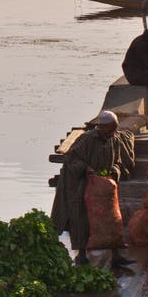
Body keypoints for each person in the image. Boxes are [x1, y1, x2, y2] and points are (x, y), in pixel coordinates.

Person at [50, 110, 135, 268]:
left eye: (115, 128)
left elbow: (117, 161)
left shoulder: (114, 139)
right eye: (111, 128)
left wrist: (114, 171)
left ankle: (116, 255)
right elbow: (70, 157)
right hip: (82, 184)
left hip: (102, 185)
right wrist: (85, 169)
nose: (114, 131)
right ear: (101, 127)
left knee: (110, 218)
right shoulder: (86, 139)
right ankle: (81, 255)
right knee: (81, 218)